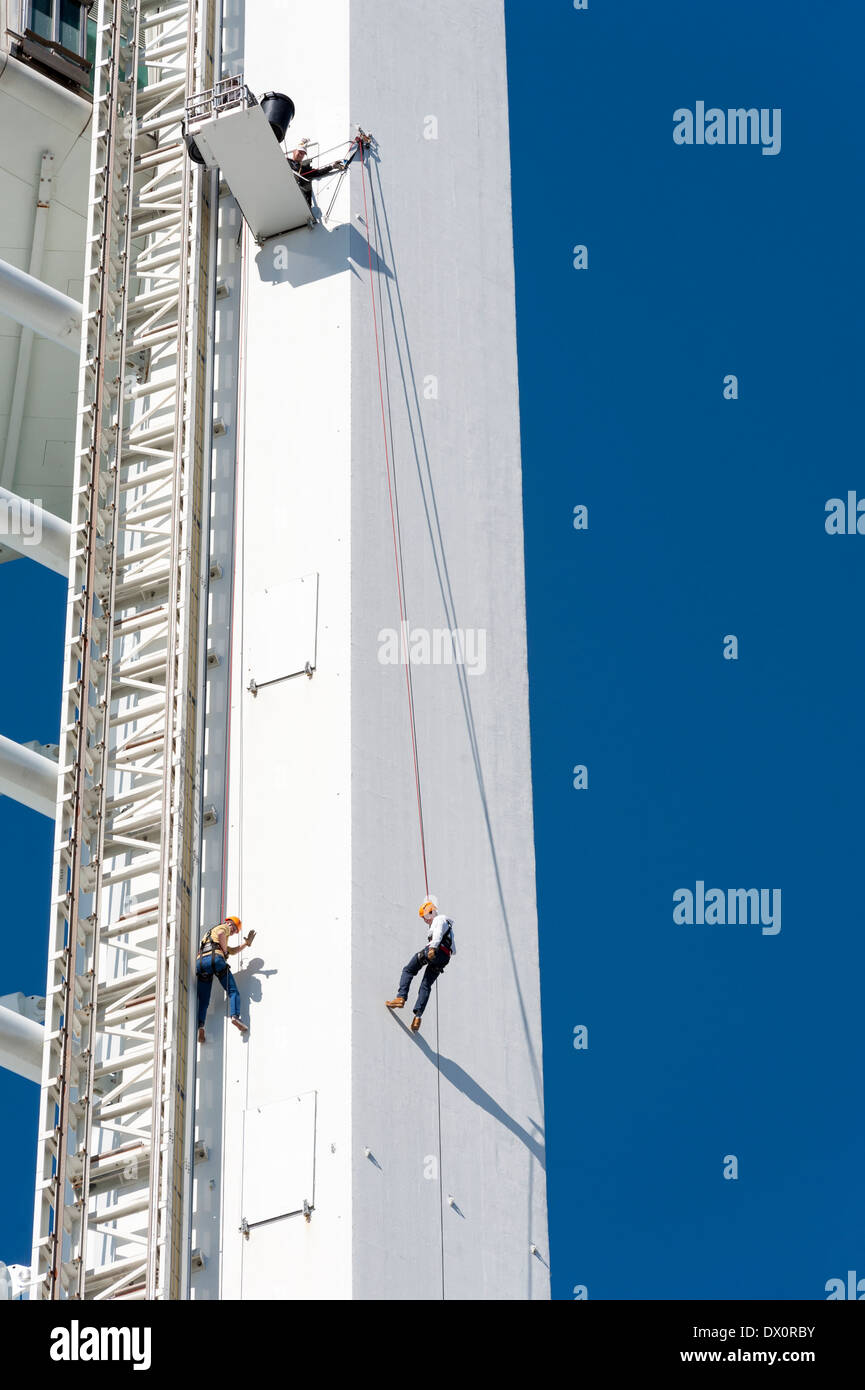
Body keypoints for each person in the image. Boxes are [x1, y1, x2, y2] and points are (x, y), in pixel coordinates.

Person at [386, 897, 456, 1032]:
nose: (425, 920)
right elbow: (454, 950)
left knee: (409, 970)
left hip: (434, 950)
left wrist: (433, 948)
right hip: (444, 958)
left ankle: (401, 997)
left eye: (425, 917)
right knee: (426, 985)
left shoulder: (439, 920)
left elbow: (438, 934)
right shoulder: (449, 928)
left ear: (431, 912)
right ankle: (418, 1016)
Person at [196, 915, 255, 1043]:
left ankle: (200, 1025)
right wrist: (224, 951)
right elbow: (223, 934)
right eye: (234, 928)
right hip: (216, 960)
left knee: (204, 1000)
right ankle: (235, 1016)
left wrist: (246, 944)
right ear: (229, 922)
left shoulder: (211, 936)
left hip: (201, 963)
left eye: (235, 931)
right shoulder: (223, 928)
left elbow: (232, 951)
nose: (233, 932)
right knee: (233, 991)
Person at [287, 139, 345, 213]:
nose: (301, 155)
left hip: (298, 195)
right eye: (299, 152)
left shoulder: (304, 169)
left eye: (303, 154)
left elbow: (317, 172)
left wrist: (332, 166)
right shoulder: (285, 161)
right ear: (294, 151)